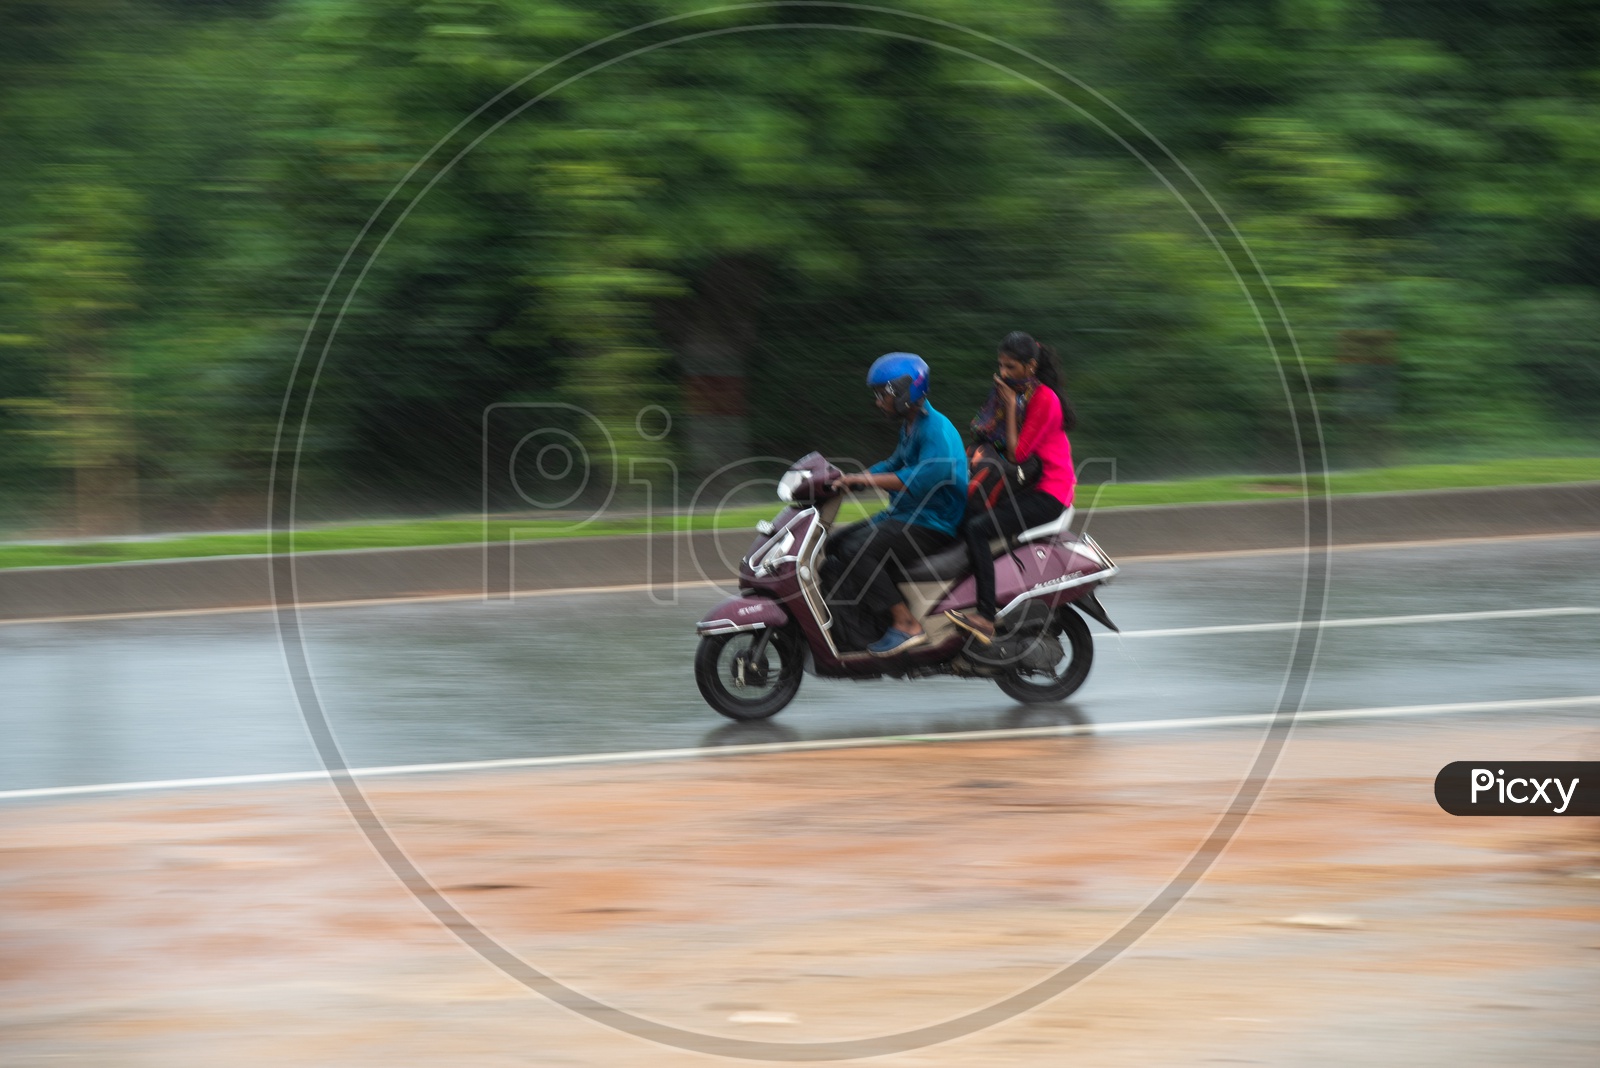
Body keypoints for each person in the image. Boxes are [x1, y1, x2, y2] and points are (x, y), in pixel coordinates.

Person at [829, 352, 968, 655]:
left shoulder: (936, 431)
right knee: (835, 545)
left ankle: (906, 624)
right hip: (908, 514)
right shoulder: (912, 425)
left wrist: (866, 481)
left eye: (883, 394)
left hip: (933, 522)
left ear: (905, 393)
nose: (879, 402)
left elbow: (915, 479)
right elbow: (893, 464)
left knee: (856, 550)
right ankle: (854, 624)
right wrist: (853, 478)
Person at [945, 331, 1077, 644]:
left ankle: (985, 617)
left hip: (1049, 492)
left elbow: (1018, 454)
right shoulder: (1021, 394)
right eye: (1001, 365)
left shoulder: (1043, 399)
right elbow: (989, 435)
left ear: (1030, 366)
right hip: (1025, 483)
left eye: (1011, 367)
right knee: (963, 513)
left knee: (978, 529)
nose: (1003, 373)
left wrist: (1009, 404)